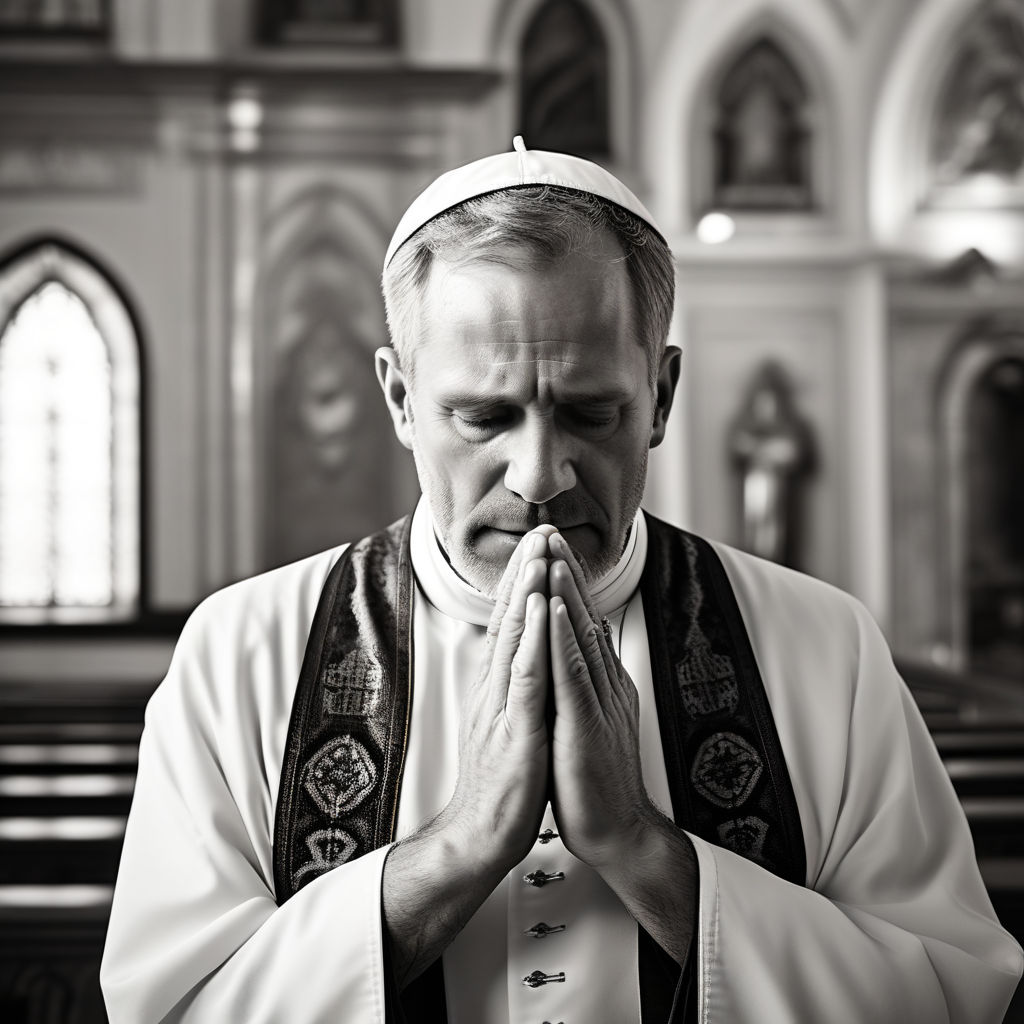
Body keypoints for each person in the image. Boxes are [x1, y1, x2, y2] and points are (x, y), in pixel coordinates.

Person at [101, 139, 1023, 1023]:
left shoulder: (827, 649)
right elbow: (173, 1005)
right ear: (399, 401)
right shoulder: (240, 652)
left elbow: (942, 995)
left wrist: (640, 846)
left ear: (659, 398)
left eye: (590, 411)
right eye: (484, 415)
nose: (540, 473)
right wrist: (457, 850)